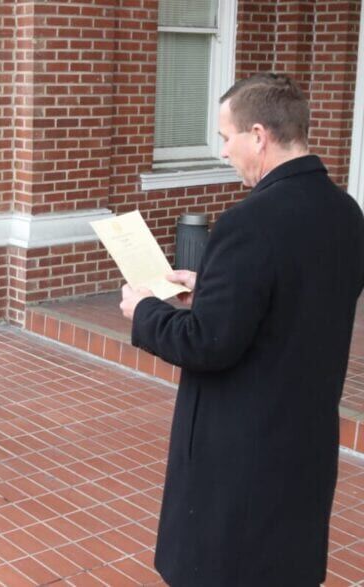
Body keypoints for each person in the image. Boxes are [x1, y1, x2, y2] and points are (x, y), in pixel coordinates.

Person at [120, 73, 364, 586]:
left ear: (259, 135)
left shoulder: (248, 222)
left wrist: (144, 310)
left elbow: (207, 343)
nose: (224, 151)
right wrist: (209, 284)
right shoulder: (346, 212)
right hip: (305, 445)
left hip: (239, 458)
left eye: (226, 137)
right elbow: (294, 297)